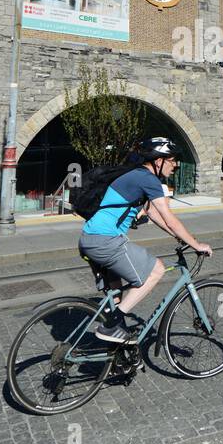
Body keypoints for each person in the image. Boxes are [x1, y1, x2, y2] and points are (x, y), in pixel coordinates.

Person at [80, 137, 212, 344]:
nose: (175, 165)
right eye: (171, 160)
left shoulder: (136, 177)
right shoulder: (148, 180)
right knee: (156, 270)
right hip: (106, 241)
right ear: (158, 161)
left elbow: (153, 214)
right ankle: (113, 324)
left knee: (115, 294)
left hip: (90, 239)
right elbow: (169, 217)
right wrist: (197, 245)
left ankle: (114, 354)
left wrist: (180, 237)